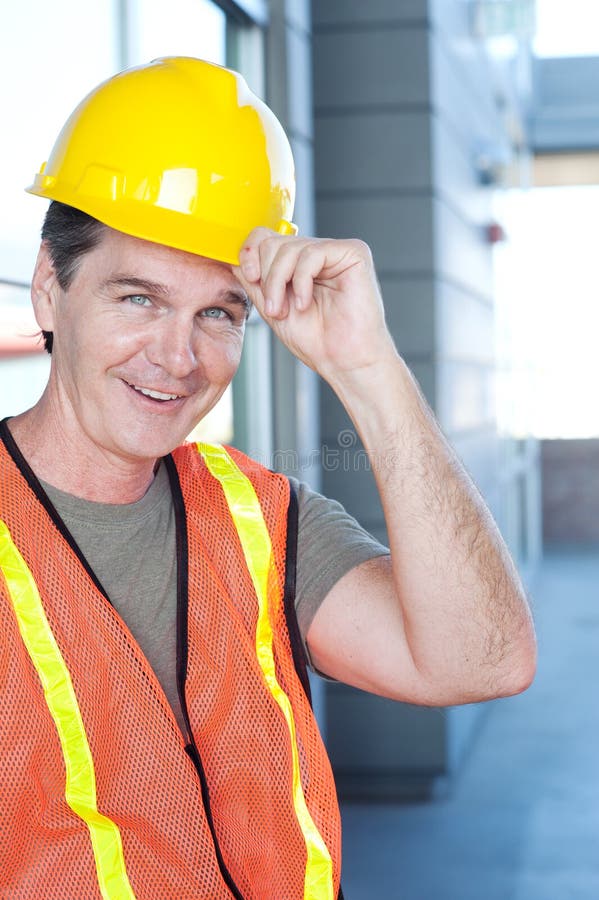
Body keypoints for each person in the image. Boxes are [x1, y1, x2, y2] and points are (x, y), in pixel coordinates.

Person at [0, 57, 536, 900]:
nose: (179, 359)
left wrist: (366, 366)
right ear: (48, 290)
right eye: (136, 298)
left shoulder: (261, 520)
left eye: (217, 312)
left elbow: (483, 661)